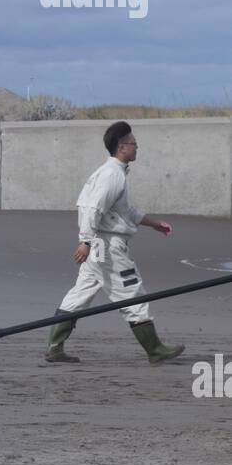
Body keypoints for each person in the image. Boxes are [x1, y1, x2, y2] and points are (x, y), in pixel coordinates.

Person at [45, 121, 184, 364]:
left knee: (81, 292)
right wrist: (85, 242)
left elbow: (126, 211)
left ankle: (55, 347)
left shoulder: (110, 173)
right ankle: (155, 350)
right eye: (134, 144)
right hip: (108, 247)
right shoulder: (111, 175)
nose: (137, 147)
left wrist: (154, 223)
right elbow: (93, 209)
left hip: (99, 245)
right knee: (132, 292)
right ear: (122, 147)